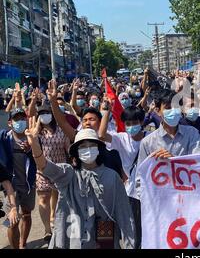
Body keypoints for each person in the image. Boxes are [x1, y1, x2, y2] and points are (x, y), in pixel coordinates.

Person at [26, 122, 135, 249]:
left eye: (92, 145)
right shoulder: (69, 174)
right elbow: (45, 167)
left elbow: (124, 214)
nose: (88, 149)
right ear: (76, 152)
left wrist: (130, 244)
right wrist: (34, 144)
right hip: (74, 227)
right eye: (83, 146)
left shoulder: (112, 176)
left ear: (99, 149)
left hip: (105, 229)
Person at [98, 104, 149, 249]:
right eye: (128, 123)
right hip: (131, 192)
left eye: (135, 123)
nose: (131, 126)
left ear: (141, 122)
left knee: (144, 227)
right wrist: (106, 113)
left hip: (149, 191)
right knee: (131, 228)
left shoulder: (151, 138)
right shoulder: (121, 139)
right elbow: (101, 135)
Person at [34, 101, 70, 243]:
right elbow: (32, 138)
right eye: (41, 114)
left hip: (60, 169)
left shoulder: (61, 130)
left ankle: (55, 218)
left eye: (47, 113)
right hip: (42, 170)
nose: (45, 116)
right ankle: (47, 230)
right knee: (43, 198)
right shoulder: (37, 132)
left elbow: (67, 147)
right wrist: (38, 123)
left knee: (59, 196)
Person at [0, 108, 37, 249]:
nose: (20, 122)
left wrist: (31, 147)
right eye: (16, 119)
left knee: (27, 215)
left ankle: (23, 244)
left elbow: (41, 159)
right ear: (10, 123)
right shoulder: (4, 138)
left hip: (28, 185)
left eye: (23, 119)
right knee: (12, 221)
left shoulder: (33, 138)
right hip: (10, 187)